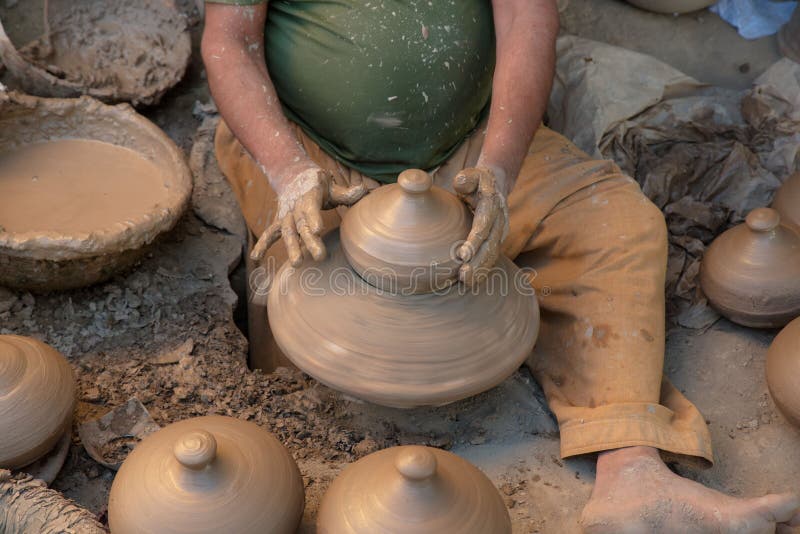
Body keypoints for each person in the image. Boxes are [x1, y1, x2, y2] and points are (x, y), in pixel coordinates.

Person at [202, 1, 800, 530]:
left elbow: (526, 15)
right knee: (304, 298)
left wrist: (500, 169)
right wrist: (289, 171)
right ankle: (340, 489)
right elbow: (230, 37)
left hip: (471, 142)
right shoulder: (295, 160)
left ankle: (632, 472)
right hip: (307, 152)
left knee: (617, 225)